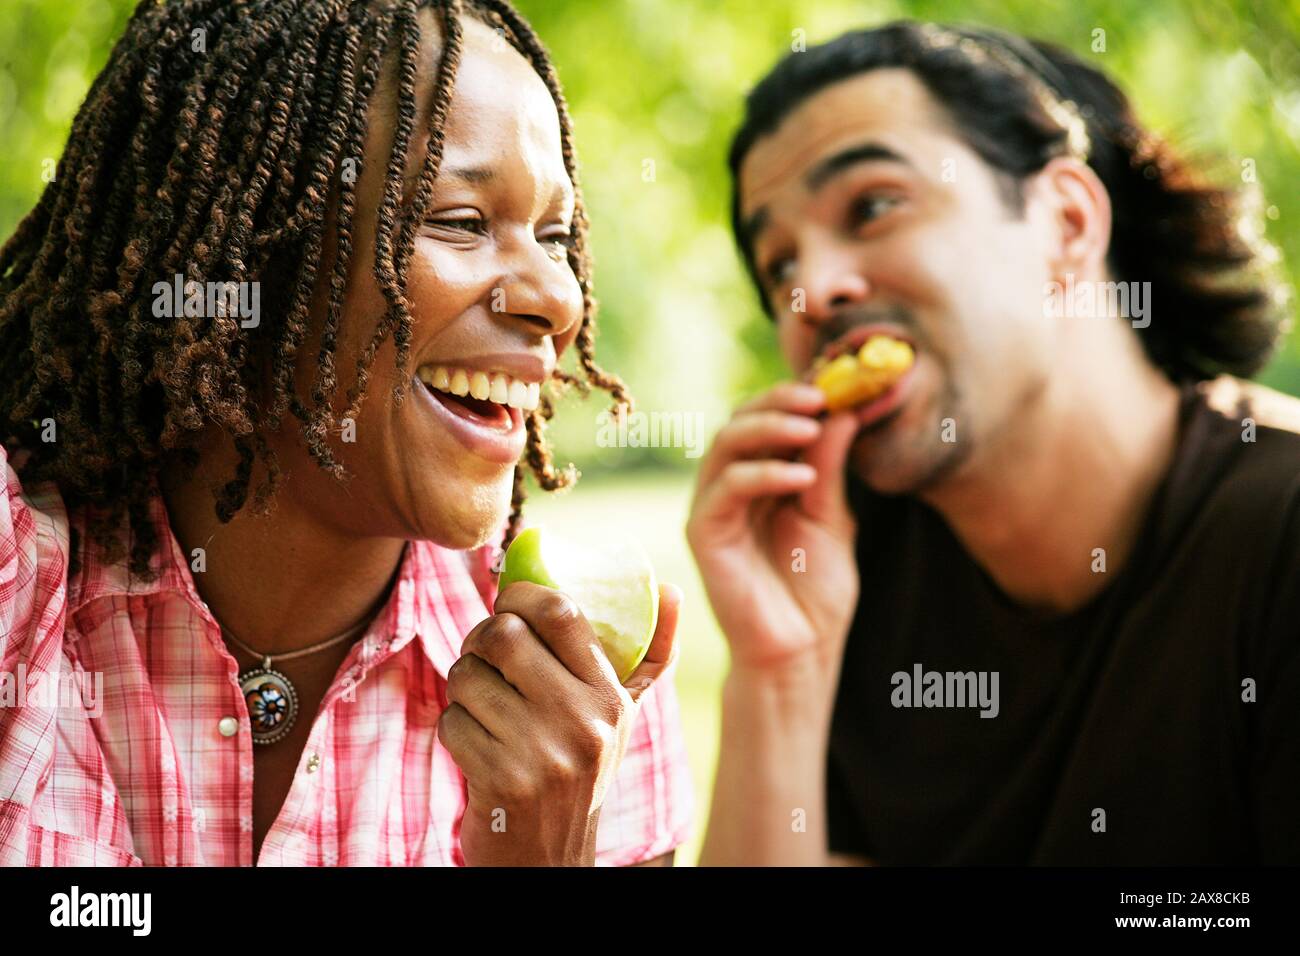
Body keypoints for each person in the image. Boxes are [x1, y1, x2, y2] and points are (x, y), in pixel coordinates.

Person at [0, 0, 691, 867]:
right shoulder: (24, 590)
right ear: (246, 252)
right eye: (463, 221)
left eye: (555, 237)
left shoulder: (576, 687)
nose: (558, 299)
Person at [688, 20, 1299, 865]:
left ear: (1065, 223)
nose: (813, 293)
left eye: (871, 206)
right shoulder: (843, 560)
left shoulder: (1279, 527)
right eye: (779, 265)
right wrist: (780, 672)